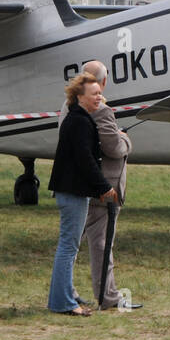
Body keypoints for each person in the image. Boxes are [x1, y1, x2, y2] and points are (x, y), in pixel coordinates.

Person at [59, 60, 139, 311]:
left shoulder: (68, 107)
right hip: (103, 185)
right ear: (103, 82)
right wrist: (125, 139)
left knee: (72, 243)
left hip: (79, 185)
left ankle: (67, 292)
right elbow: (113, 148)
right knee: (102, 244)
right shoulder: (102, 110)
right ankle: (108, 297)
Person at [46, 73, 117, 315]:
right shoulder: (78, 122)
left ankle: (65, 296)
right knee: (68, 246)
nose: (99, 97)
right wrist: (104, 187)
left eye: (100, 93)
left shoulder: (80, 118)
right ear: (80, 97)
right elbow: (85, 160)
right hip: (72, 192)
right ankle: (63, 303)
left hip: (73, 191)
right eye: (94, 94)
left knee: (69, 246)